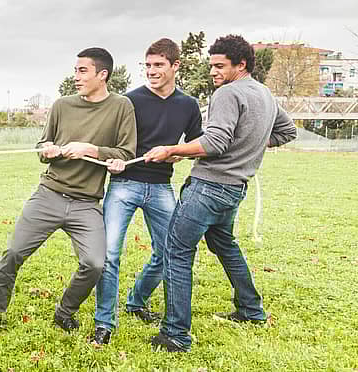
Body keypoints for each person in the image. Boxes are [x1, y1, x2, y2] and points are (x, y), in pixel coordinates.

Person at [143, 34, 297, 352]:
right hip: (234, 192)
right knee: (225, 246)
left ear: (241, 65)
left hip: (208, 189)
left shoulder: (228, 93)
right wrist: (248, 145)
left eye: (219, 66)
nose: (213, 72)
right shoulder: (265, 94)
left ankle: (175, 334)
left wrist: (173, 149)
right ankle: (251, 310)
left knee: (176, 253)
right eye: (211, 65)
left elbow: (214, 143)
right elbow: (287, 131)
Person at [0, 47, 137, 344]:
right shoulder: (62, 105)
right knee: (12, 254)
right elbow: (42, 146)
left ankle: (65, 311)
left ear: (103, 75)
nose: (75, 77)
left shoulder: (121, 107)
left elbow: (126, 153)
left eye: (82, 71)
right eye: (75, 70)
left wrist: (91, 150)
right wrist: (47, 150)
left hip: (87, 204)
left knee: (95, 264)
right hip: (49, 194)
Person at [91, 38, 203, 345]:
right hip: (125, 184)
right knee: (109, 255)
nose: (151, 71)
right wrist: (113, 161)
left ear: (175, 66)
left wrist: (175, 152)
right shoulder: (129, 101)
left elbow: (196, 145)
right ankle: (104, 324)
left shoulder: (188, 105)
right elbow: (113, 143)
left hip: (162, 186)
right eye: (148, 65)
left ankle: (137, 300)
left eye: (158, 65)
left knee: (169, 253)